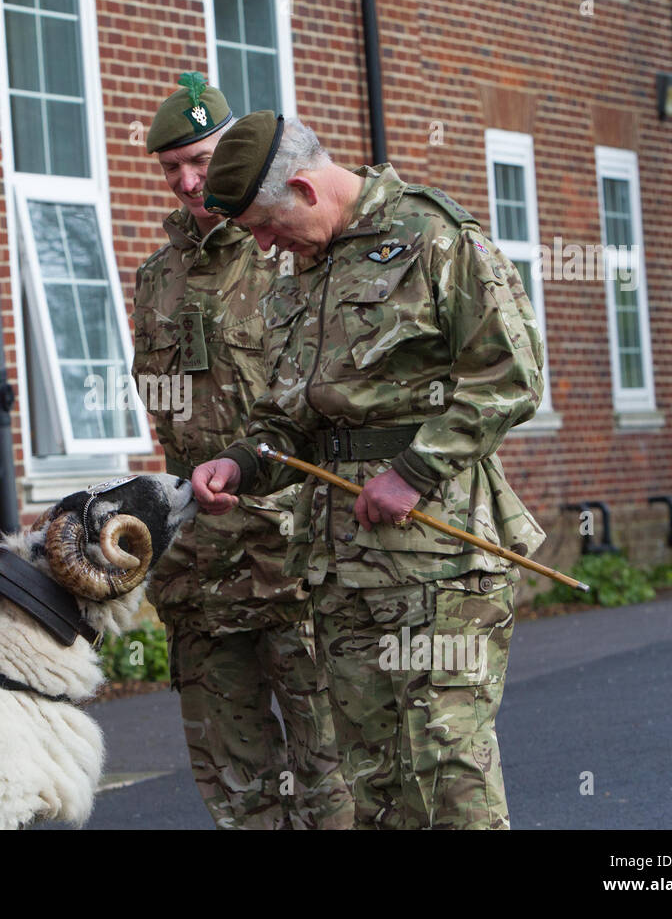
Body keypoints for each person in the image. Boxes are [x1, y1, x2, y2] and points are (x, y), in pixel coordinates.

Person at [192, 111, 546, 829]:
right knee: (375, 778)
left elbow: (513, 375)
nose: (262, 243)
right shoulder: (299, 274)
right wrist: (237, 463)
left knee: (445, 768)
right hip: (338, 566)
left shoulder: (434, 237)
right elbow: (288, 419)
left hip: (439, 556)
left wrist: (414, 470)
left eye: (264, 223)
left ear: (302, 186)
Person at [133, 74, 353, 830]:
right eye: (172, 169)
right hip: (201, 565)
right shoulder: (155, 279)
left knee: (331, 765)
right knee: (234, 778)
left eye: (199, 160)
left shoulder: (294, 250)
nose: (190, 181)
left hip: (295, 555)